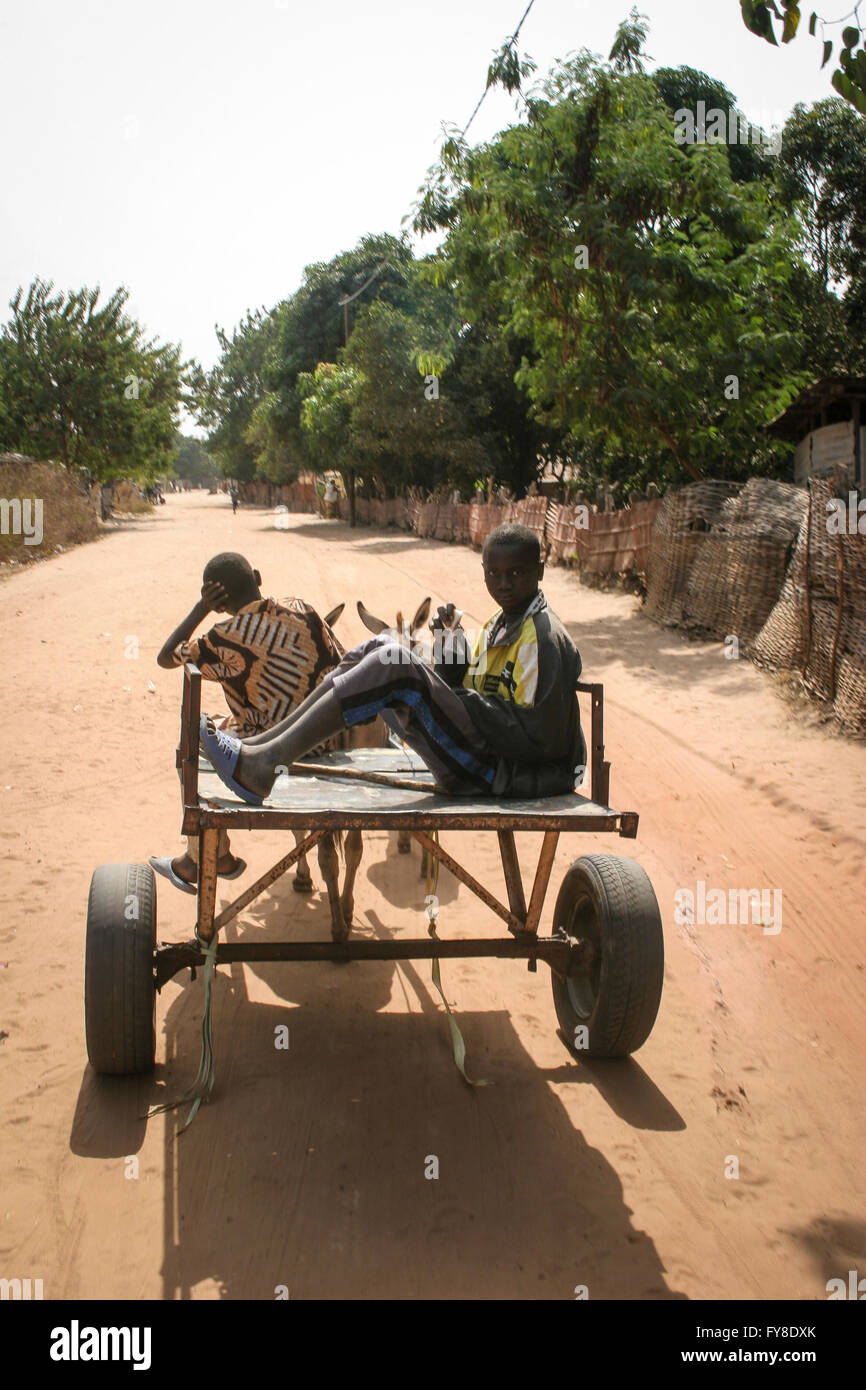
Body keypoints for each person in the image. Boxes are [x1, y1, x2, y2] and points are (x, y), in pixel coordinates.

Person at [201, 524, 585, 804]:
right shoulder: (499, 624)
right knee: (383, 644)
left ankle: (263, 764)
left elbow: (540, 740)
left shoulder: (543, 639)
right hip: (481, 755)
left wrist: (458, 699)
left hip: (502, 774)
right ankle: (262, 748)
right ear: (483, 571)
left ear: (539, 571)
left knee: (397, 661)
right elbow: (466, 693)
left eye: (517, 573)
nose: (504, 584)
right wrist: (451, 650)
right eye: (494, 573)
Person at [150, 552, 343, 892]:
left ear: (219, 604)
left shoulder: (224, 637)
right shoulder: (305, 608)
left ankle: (205, 857)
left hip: (268, 754)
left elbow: (165, 657)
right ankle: (207, 857)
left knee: (194, 741)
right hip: (326, 743)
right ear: (257, 577)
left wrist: (200, 608)